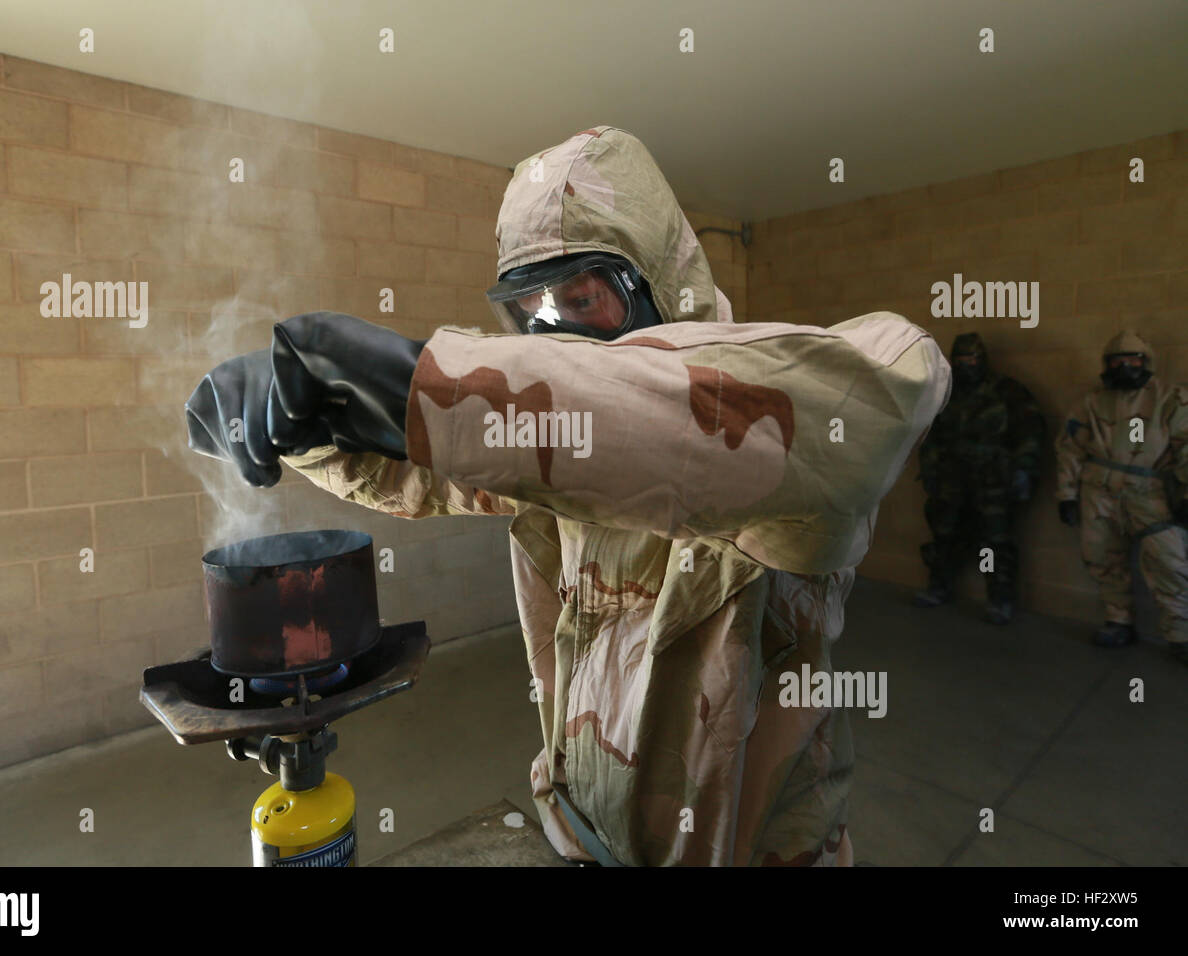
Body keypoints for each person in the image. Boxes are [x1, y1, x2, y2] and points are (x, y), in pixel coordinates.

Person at [185, 126, 951, 865]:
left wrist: (425, 386)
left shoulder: (806, 401)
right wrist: (309, 423)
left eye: (583, 299)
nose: (552, 329)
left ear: (662, 283)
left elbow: (861, 410)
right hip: (578, 832)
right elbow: (430, 468)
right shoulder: (555, 451)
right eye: (531, 309)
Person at [1055, 330, 1188, 662]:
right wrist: (1066, 493)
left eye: (1133, 360)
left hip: (1151, 493)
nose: (1125, 366)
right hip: (1099, 492)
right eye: (1117, 360)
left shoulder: (1171, 400)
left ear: (1147, 362)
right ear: (1107, 364)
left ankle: (1181, 633)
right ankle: (1118, 621)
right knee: (1101, 557)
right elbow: (1070, 450)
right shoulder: (1090, 403)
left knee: (1169, 563)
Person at [912, 332, 1046, 624]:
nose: (966, 365)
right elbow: (929, 436)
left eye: (971, 359)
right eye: (960, 359)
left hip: (992, 482)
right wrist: (930, 470)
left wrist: (1025, 470)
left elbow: (1030, 432)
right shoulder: (945, 394)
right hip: (951, 480)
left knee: (993, 542)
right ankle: (939, 586)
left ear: (982, 359)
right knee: (945, 536)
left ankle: (999, 598)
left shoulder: (1007, 391)